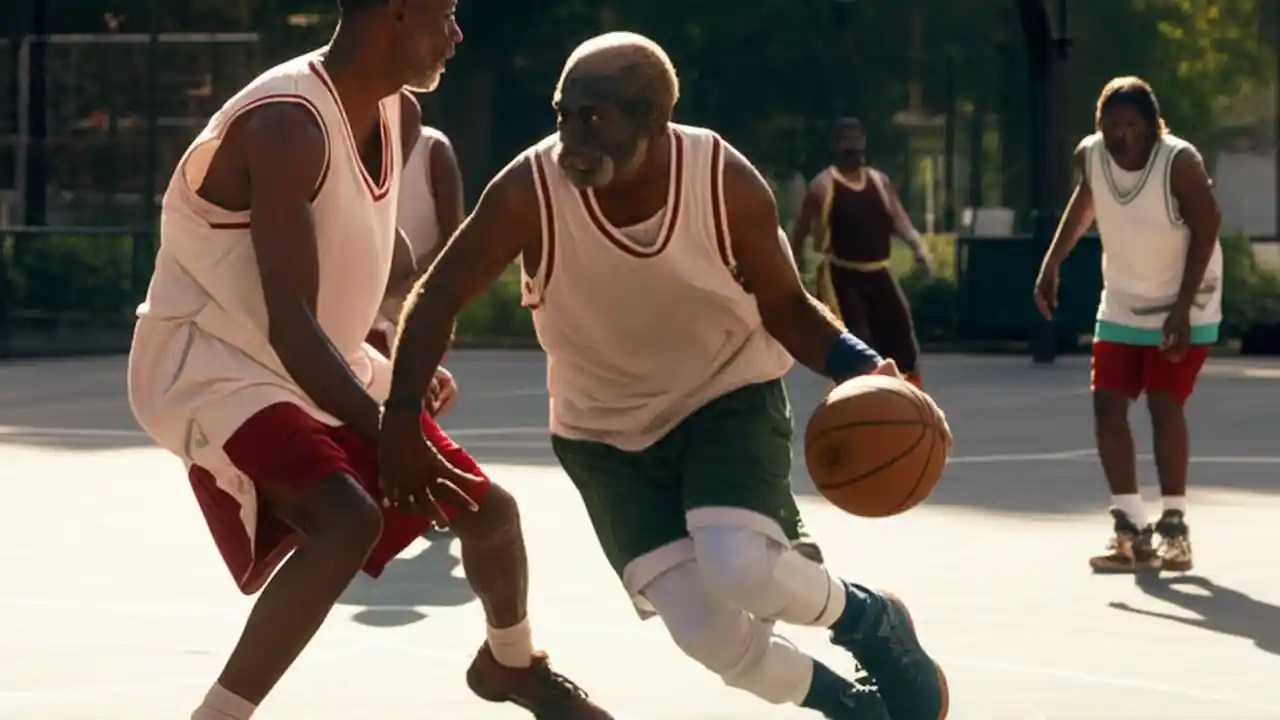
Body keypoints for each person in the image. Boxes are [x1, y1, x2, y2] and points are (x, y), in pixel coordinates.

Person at [379, 32, 951, 720]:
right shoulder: (531, 189)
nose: (571, 135)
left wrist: (864, 369)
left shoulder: (719, 178)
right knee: (705, 633)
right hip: (602, 434)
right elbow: (438, 294)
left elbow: (786, 305)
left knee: (739, 565)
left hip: (724, 396)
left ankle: (869, 620)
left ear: (654, 121)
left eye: (595, 118)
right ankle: (852, 710)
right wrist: (401, 414)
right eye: (564, 114)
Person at [125, 1, 611, 718]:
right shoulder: (287, 123)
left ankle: (512, 666)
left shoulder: (396, 116)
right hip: (211, 362)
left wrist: (398, 359)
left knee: (491, 516)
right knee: (346, 519)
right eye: (444, 14)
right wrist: (392, 426)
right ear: (396, 13)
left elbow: (383, 252)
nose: (457, 33)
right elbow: (289, 324)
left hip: (317, 359)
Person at [1035, 76, 1222, 574]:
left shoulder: (1179, 163)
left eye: (1131, 125)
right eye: (1111, 125)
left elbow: (1209, 225)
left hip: (1187, 301)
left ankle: (1175, 529)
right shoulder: (1092, 156)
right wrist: (1053, 261)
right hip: (1122, 300)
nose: (1121, 135)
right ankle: (1131, 528)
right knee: (1107, 407)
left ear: (1151, 125)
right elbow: (1085, 202)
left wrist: (1182, 307)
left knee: (1164, 405)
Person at [789, 118, 934, 389]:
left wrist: (919, 249)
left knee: (901, 334)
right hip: (842, 275)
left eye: (855, 141)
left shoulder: (879, 182)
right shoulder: (823, 186)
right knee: (857, 342)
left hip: (877, 271)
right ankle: (857, 399)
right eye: (845, 141)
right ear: (835, 146)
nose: (851, 147)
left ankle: (911, 398)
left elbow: (900, 220)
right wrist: (792, 275)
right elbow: (800, 233)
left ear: (863, 144)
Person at [369, 120, 465, 356]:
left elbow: (456, 242)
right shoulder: (348, 145)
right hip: (355, 314)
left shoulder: (432, 150)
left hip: (412, 310)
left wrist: (412, 289)